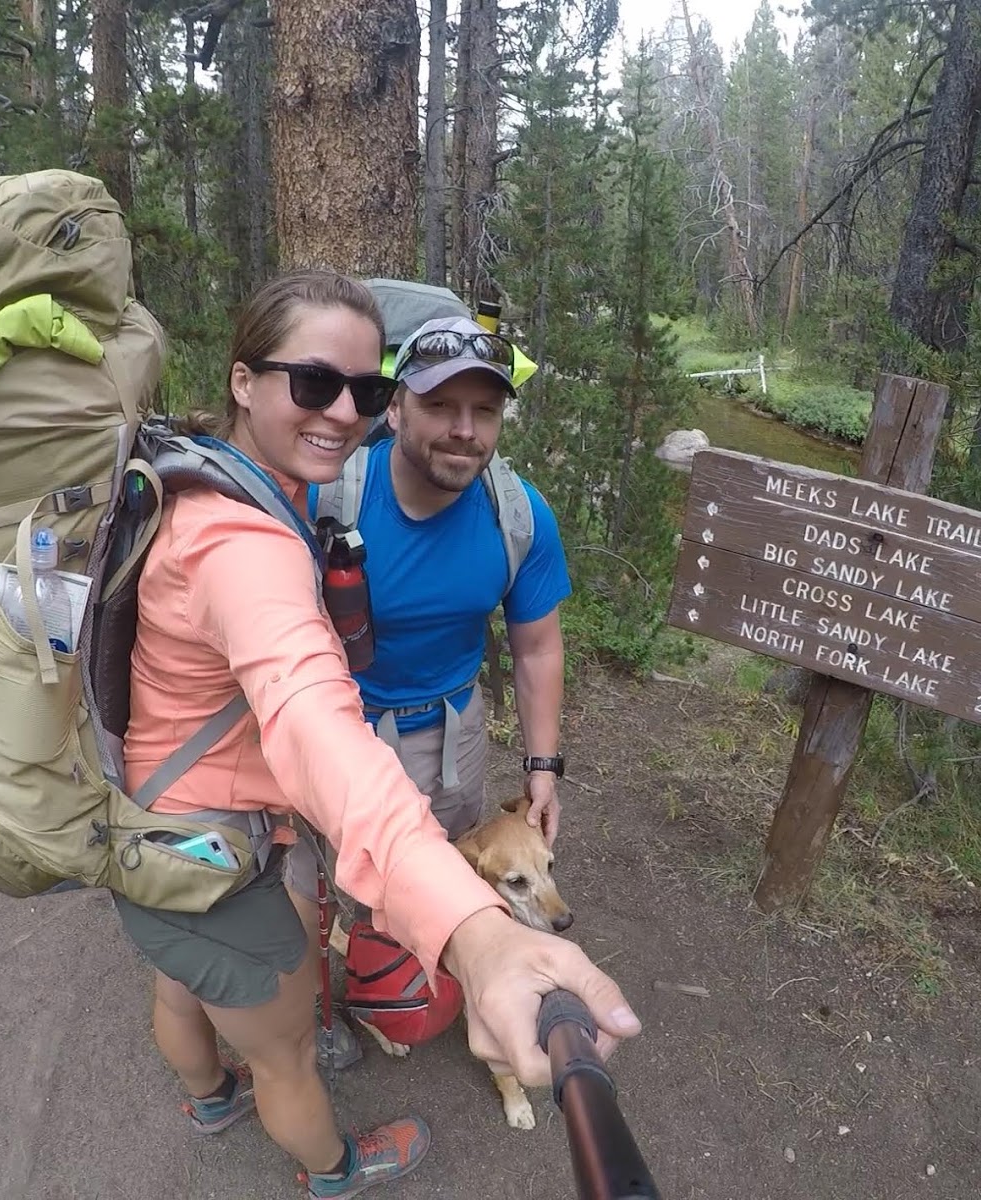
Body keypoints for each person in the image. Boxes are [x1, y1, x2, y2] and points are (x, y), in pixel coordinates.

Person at [112, 269, 638, 1199]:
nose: (341, 413)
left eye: (356, 390)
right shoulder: (269, 529)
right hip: (240, 812)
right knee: (281, 1040)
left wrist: (542, 763)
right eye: (316, 385)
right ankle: (332, 1166)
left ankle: (207, 1094)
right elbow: (318, 727)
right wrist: (477, 937)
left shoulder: (220, 477)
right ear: (244, 382)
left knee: (185, 973)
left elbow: (536, 638)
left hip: (162, 819)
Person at [291, 316, 570, 948]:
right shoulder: (329, 498)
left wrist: (542, 768)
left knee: (438, 866)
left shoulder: (519, 516)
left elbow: (537, 646)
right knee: (318, 870)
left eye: (485, 410)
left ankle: (399, 983)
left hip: (450, 734)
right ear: (395, 410)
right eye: (440, 405)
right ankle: (316, 985)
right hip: (335, 731)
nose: (465, 430)